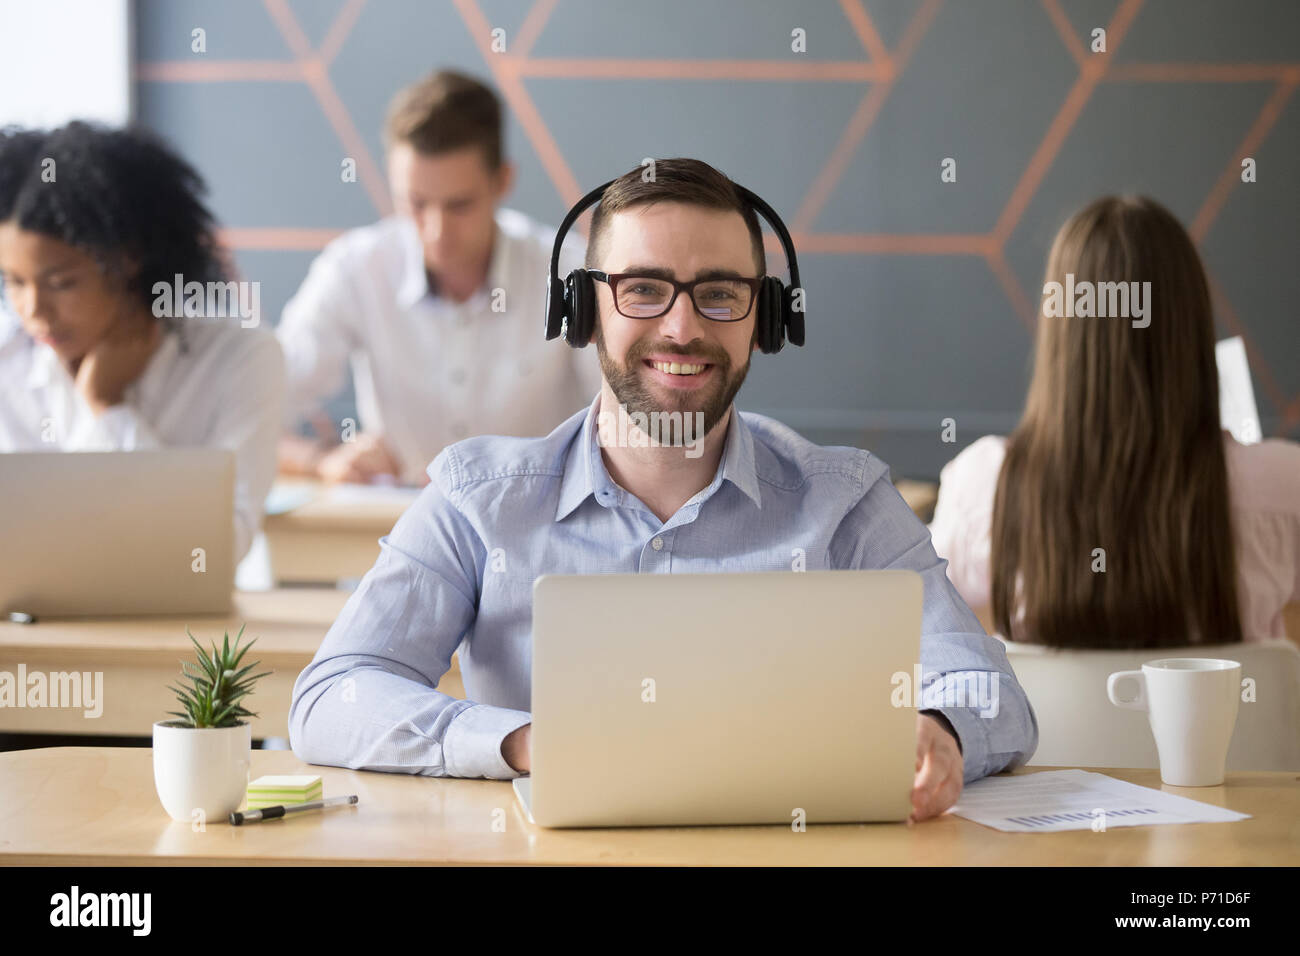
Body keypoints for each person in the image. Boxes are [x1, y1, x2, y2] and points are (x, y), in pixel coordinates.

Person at [290, 158, 1038, 822]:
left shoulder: (842, 500)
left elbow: (987, 688)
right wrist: (521, 740)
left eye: (719, 293)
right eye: (643, 289)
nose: (682, 328)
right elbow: (336, 695)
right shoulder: (479, 497)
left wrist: (941, 729)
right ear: (581, 312)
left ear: (766, 320)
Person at [929, 195, 1300, 647]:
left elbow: (916, 622)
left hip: (1052, 724)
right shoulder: (1284, 485)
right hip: (1244, 722)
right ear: (1191, 325)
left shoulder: (984, 484)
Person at [276, 69, 601, 486]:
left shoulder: (567, 271)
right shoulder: (355, 269)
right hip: (395, 530)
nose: (436, 231)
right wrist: (320, 462)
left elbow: (626, 423)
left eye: (459, 205)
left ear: (503, 181)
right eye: (415, 203)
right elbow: (253, 410)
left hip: (538, 532)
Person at [0, 121, 283, 563]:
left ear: (128, 259)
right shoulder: (8, 363)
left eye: (61, 283)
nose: (34, 309)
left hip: (177, 631)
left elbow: (216, 551)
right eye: (14, 282)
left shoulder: (239, 359)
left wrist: (108, 407)